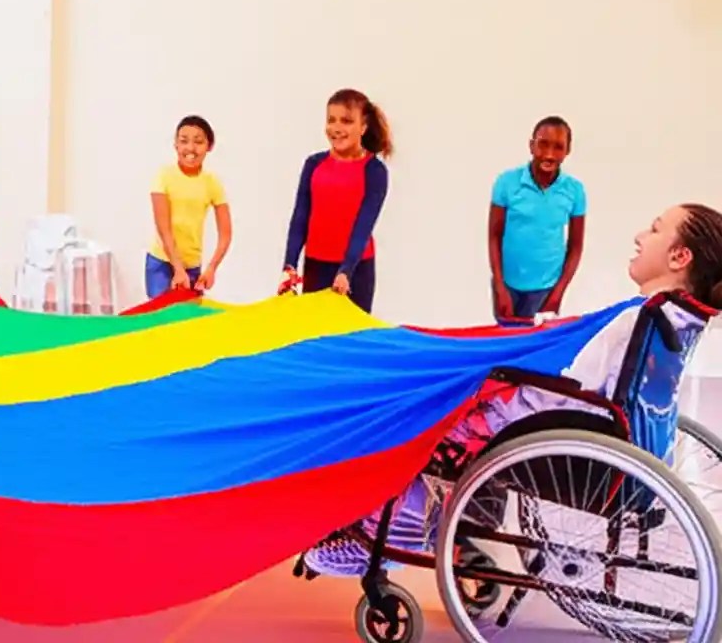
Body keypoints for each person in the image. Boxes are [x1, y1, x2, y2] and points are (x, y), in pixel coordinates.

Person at [300, 202, 722, 579]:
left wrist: (498, 371)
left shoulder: (641, 319)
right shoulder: (668, 319)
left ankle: (392, 527)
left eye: (653, 229)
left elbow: (571, 388)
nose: (639, 237)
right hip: (610, 439)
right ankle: (429, 523)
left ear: (678, 256)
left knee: (425, 407)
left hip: (556, 428)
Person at [280, 89, 391, 313]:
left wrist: (346, 270)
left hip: (355, 270)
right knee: (316, 337)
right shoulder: (314, 164)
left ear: (363, 126)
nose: (337, 128)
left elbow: (364, 225)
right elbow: (300, 218)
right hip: (316, 265)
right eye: (331, 120)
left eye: (347, 121)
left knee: (351, 341)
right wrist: (289, 265)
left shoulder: (374, 170)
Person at [488, 116, 586, 324]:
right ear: (531, 145)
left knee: (535, 345)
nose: (549, 154)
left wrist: (558, 293)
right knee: (507, 341)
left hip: (546, 290)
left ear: (568, 150)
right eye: (543, 144)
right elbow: (494, 236)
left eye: (558, 147)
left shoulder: (574, 191)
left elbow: (575, 246)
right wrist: (499, 285)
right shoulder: (506, 183)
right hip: (507, 286)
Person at [145, 115, 232, 298]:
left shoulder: (212, 183)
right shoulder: (164, 176)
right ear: (176, 144)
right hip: (161, 262)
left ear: (209, 146)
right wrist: (177, 268)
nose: (190, 148)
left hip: (192, 266)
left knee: (189, 323)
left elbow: (225, 234)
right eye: (184, 141)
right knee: (162, 321)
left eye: (198, 142)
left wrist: (211, 268)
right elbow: (164, 229)